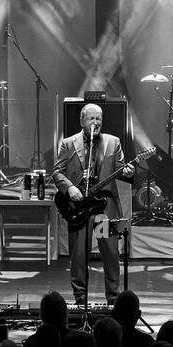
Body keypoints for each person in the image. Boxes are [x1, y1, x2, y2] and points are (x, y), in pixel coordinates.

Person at [52, 103, 132, 306]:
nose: (95, 123)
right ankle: (80, 300)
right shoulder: (69, 144)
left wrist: (127, 171)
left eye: (99, 119)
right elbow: (57, 172)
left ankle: (113, 300)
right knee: (79, 256)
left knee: (110, 254)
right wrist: (69, 188)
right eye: (91, 118)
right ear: (82, 120)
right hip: (80, 210)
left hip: (103, 210)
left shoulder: (113, 142)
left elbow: (121, 169)